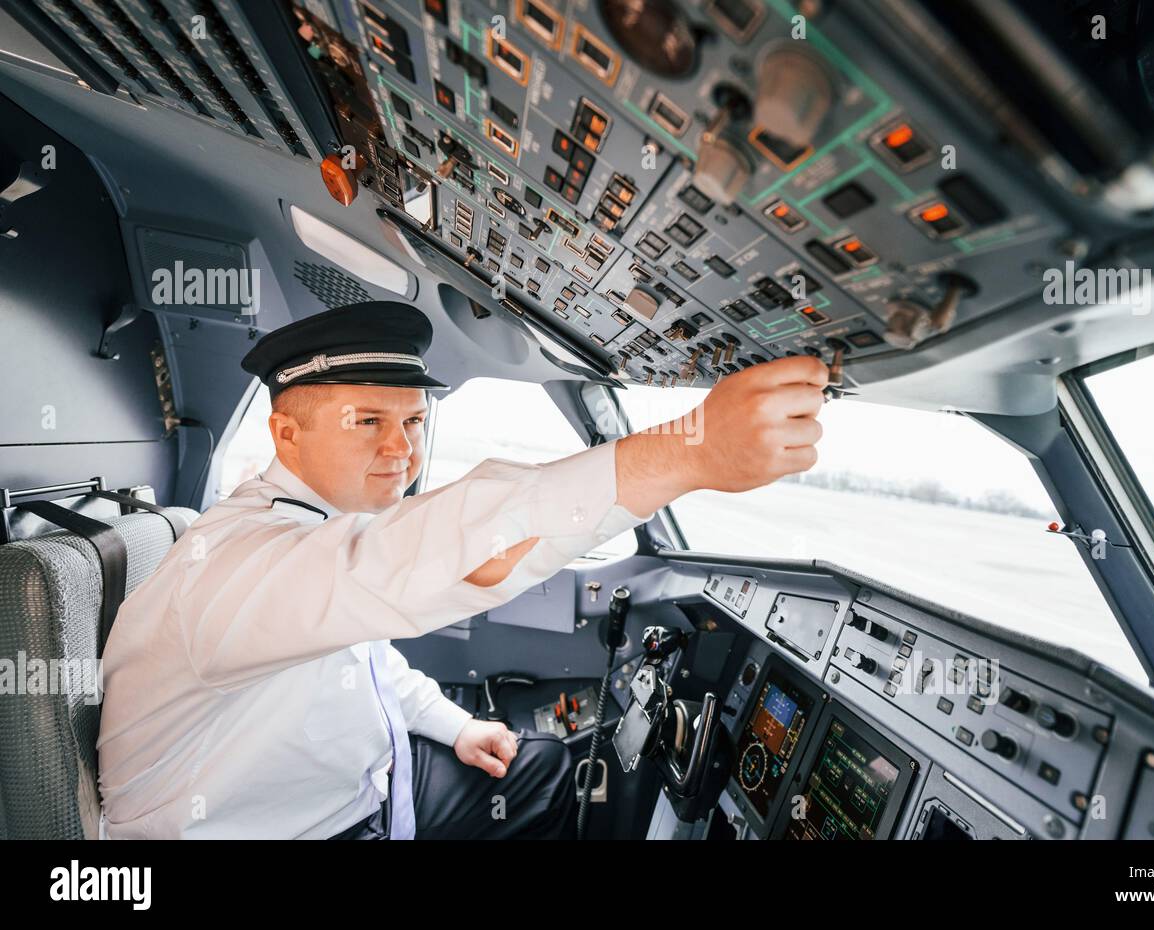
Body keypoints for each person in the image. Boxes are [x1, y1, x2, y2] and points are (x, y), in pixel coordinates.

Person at [96, 301, 829, 838]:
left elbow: (364, 662)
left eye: (413, 422)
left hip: (374, 787)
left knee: (545, 767)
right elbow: (443, 554)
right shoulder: (233, 560)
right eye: (368, 421)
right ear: (285, 432)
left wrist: (450, 725)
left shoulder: (318, 535)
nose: (403, 450)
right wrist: (689, 453)